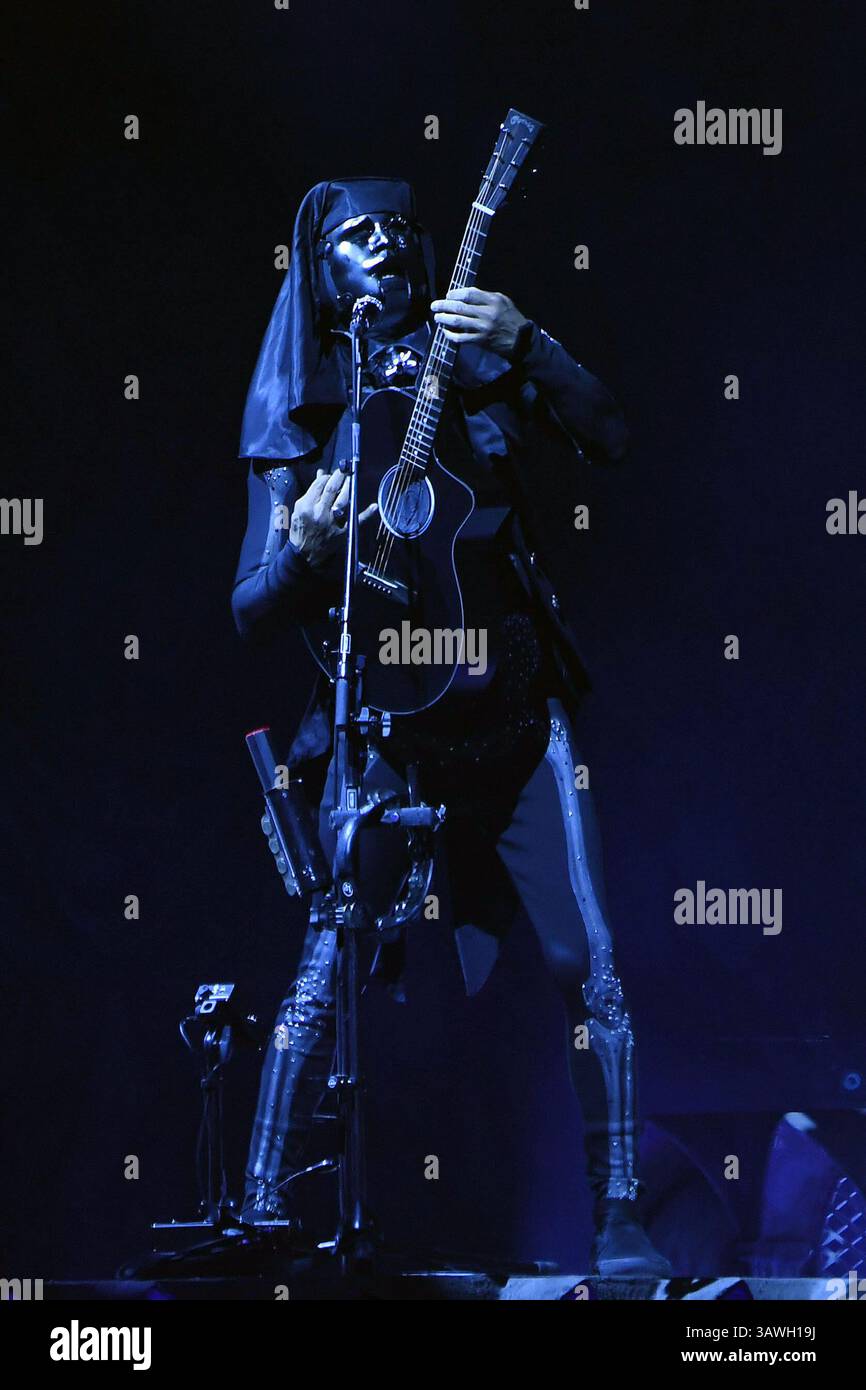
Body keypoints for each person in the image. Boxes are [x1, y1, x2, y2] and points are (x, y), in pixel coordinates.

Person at [232, 176, 671, 1276]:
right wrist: (305, 547)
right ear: (318, 267)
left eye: (393, 230)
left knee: (589, 960)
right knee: (331, 956)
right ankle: (257, 1211)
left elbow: (610, 434)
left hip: (514, 714)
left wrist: (529, 341)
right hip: (386, 729)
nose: (378, 247)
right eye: (349, 236)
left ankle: (619, 1216)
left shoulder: (471, 357)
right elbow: (247, 606)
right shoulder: (303, 405)